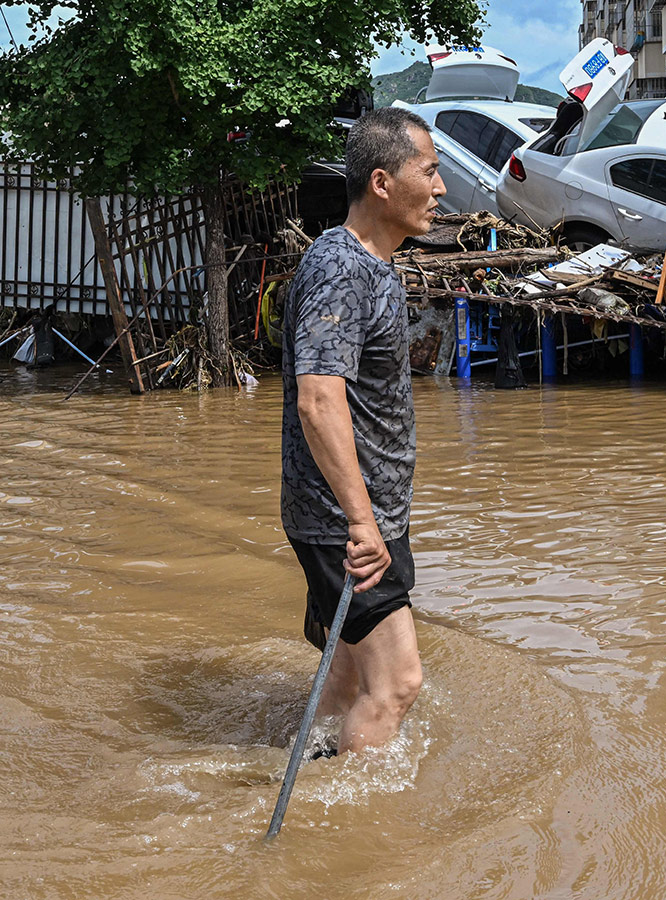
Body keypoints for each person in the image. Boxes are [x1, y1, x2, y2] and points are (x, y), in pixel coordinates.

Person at [280, 106, 445, 755]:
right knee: (398, 683)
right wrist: (361, 522)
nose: (438, 189)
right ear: (383, 182)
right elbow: (319, 401)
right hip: (346, 527)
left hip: (360, 521)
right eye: (428, 172)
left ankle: (315, 764)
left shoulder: (368, 265)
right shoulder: (341, 268)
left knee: (349, 675)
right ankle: (361, 839)